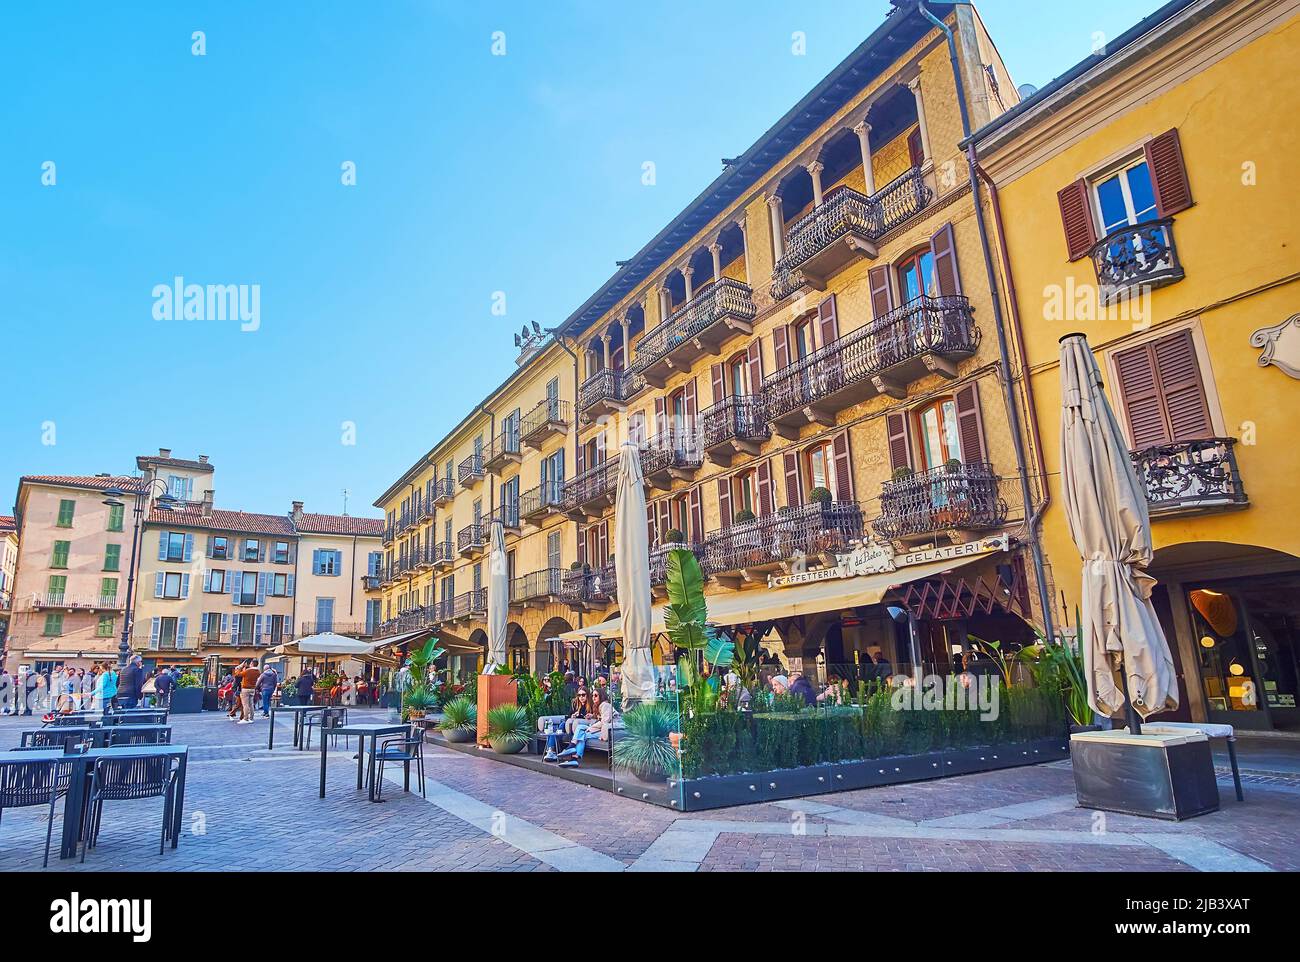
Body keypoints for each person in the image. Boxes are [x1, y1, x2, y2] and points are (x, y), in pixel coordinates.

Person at [558, 689, 618, 768]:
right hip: (602, 729)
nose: (593, 697)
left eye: (596, 695)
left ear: (601, 696)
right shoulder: (598, 706)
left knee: (583, 734)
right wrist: (592, 716)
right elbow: (600, 719)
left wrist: (591, 728)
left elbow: (605, 721)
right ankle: (573, 754)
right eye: (592, 695)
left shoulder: (605, 705)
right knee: (580, 729)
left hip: (611, 731)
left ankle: (572, 752)